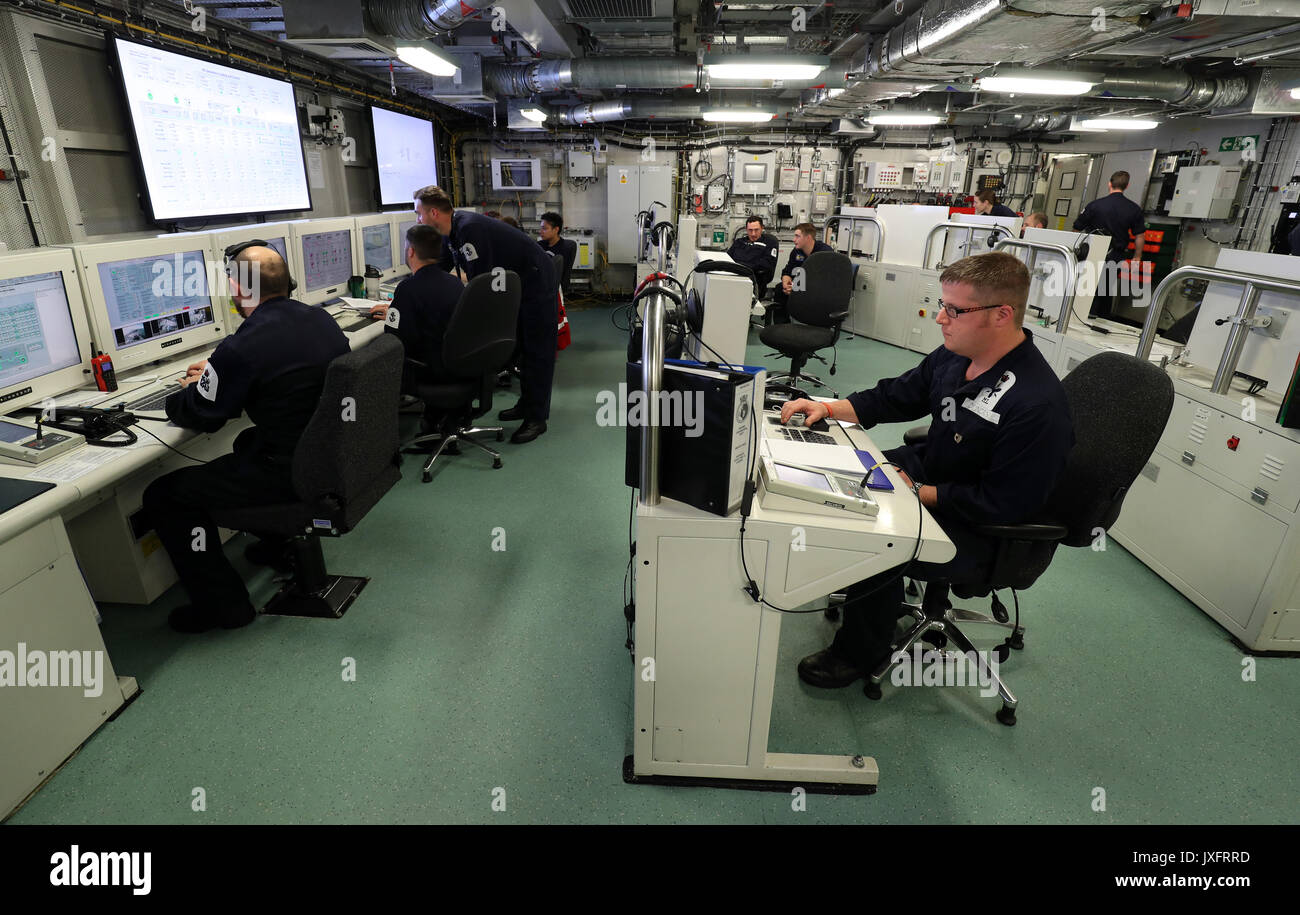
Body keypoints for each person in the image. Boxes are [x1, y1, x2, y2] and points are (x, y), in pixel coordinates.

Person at [779, 252, 1074, 687]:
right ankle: (867, 588)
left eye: (954, 309)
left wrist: (916, 491)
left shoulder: (1036, 405)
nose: (940, 317)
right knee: (843, 469)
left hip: (980, 525)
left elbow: (1005, 502)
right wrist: (826, 407)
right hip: (933, 473)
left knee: (875, 532)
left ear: (1001, 315)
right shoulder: (956, 355)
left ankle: (861, 652)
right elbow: (897, 396)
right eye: (943, 304)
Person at [142, 246, 349, 633]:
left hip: (292, 471)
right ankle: (279, 543)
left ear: (239, 287)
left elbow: (200, 414)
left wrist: (194, 384)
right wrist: (220, 368)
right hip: (330, 456)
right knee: (246, 444)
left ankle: (223, 607)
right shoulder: (318, 318)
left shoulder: (244, 345)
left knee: (165, 496)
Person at [413, 185, 558, 444]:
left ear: (433, 212)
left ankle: (537, 418)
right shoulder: (453, 232)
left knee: (537, 352)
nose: (418, 220)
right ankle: (526, 404)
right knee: (524, 350)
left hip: (536, 283)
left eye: (418, 214)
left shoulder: (469, 228)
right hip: (516, 285)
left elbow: (481, 280)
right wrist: (414, 289)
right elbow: (439, 268)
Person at [369, 223, 464, 386]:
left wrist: (396, 316)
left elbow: (393, 337)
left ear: (411, 251)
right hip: (457, 364)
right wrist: (398, 313)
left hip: (430, 370)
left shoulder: (408, 288)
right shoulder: (455, 282)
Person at [1073, 170, 1146, 320]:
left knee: (1087, 286)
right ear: (1127, 186)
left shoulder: (1095, 205)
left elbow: (1076, 228)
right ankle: (1102, 319)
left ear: (1109, 184)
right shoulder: (1133, 209)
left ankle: (1081, 316)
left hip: (1092, 253)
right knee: (1106, 288)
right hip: (1115, 255)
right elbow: (1139, 235)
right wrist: (1137, 257)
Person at [770, 222, 832, 324]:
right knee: (780, 288)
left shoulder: (824, 253)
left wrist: (796, 287)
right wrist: (786, 282)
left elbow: (823, 280)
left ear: (808, 238)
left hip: (819, 289)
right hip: (800, 286)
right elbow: (787, 270)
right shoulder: (796, 251)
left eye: (797, 236)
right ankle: (782, 325)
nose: (794, 240)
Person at [726, 215, 781, 296]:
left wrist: (739, 264)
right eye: (750, 230)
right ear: (746, 229)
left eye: (756, 230)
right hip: (734, 280)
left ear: (762, 228)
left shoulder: (770, 242)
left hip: (756, 283)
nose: (753, 234)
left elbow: (766, 265)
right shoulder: (739, 242)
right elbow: (727, 259)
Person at [538, 211, 575, 295]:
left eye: (544, 228)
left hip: (552, 288)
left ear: (556, 230)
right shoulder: (539, 245)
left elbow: (559, 275)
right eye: (541, 228)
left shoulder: (564, 249)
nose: (541, 232)